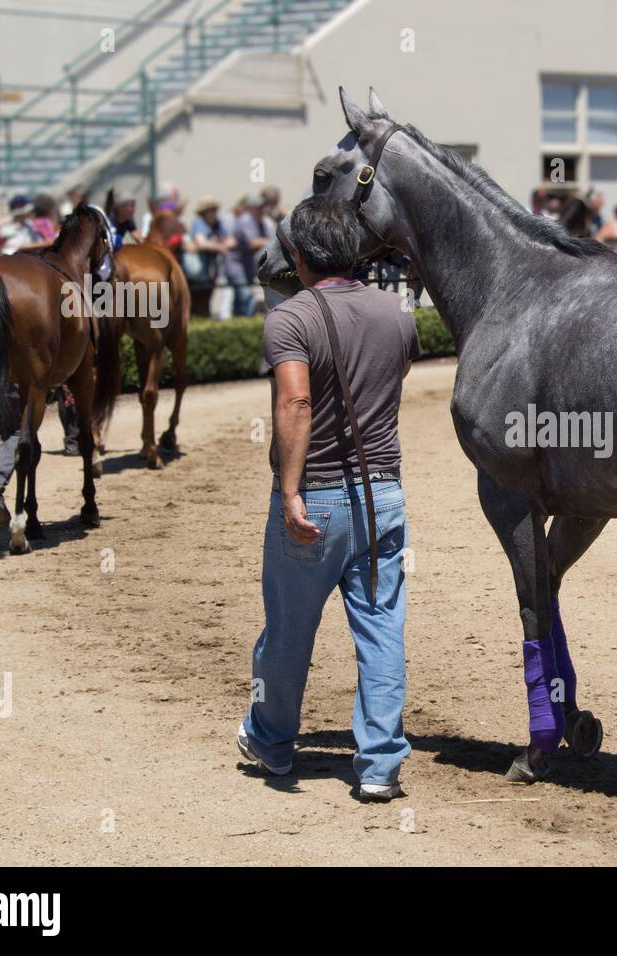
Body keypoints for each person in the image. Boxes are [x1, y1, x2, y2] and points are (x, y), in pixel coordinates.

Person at [240, 195, 420, 799]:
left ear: (297, 254)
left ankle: (272, 741)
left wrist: (289, 490)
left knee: (288, 633)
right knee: (381, 630)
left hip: (314, 496)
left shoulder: (290, 318)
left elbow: (295, 403)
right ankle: (378, 766)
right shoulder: (397, 313)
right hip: (383, 494)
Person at [189, 197, 236, 318]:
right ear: (205, 212)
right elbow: (201, 243)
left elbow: (232, 241)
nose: (215, 212)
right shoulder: (198, 222)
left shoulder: (218, 224)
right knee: (196, 300)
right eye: (212, 209)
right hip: (197, 271)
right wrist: (220, 246)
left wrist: (215, 244)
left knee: (207, 298)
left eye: (215, 209)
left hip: (211, 270)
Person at [230, 193, 268, 316]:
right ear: (250, 208)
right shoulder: (245, 219)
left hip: (246, 267)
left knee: (240, 300)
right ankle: (244, 324)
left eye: (263, 207)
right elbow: (252, 243)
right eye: (259, 208)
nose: (262, 210)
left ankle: (237, 325)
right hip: (236, 266)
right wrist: (270, 240)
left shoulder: (260, 221)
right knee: (247, 297)